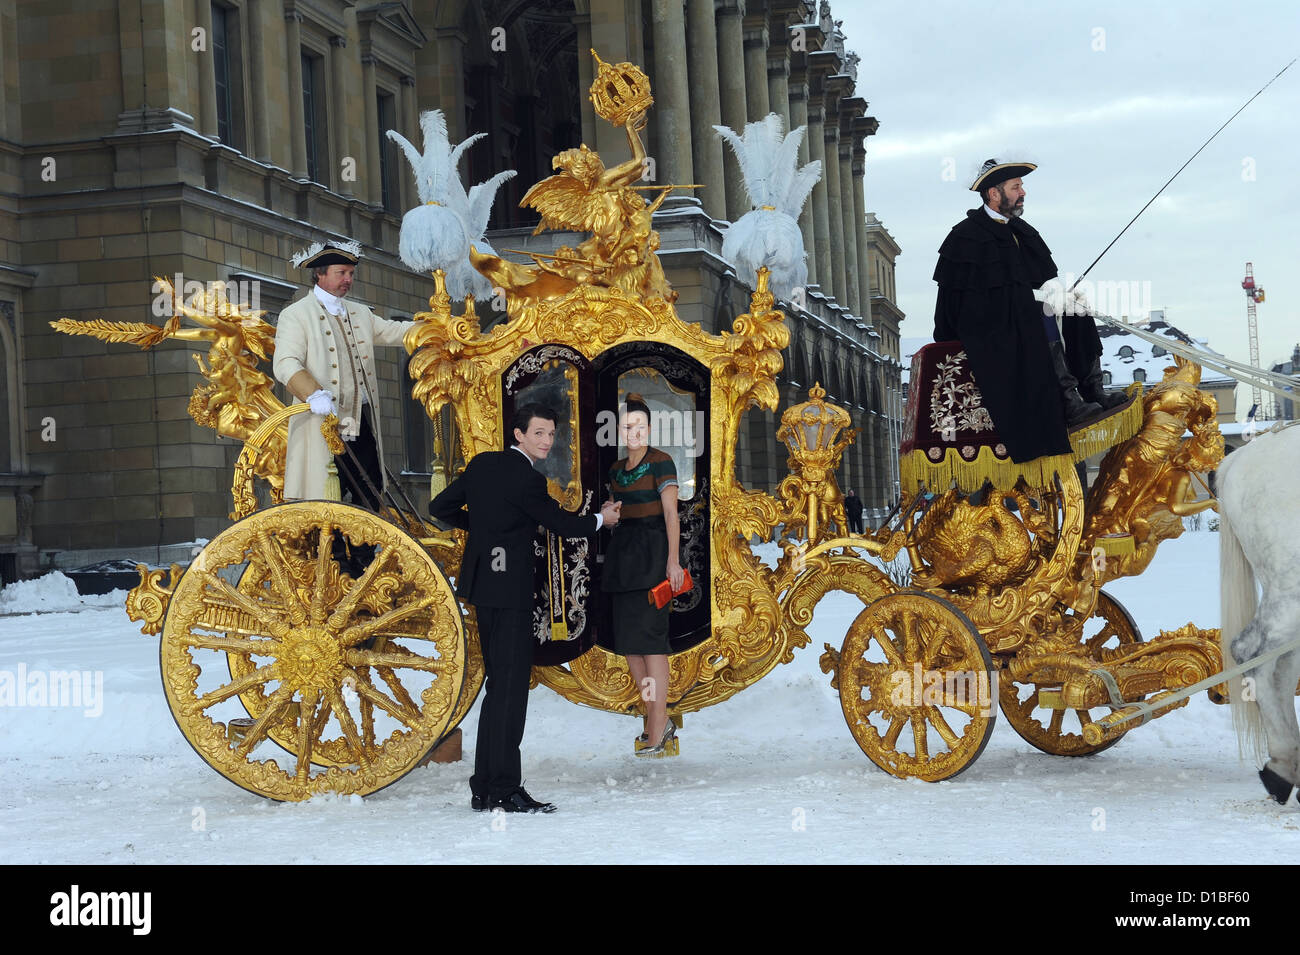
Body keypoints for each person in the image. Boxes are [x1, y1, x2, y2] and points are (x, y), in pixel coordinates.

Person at [429, 403, 621, 813]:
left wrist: (482, 527)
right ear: (518, 435)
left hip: (483, 589)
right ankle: (502, 790)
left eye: (550, 434)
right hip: (512, 594)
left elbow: (439, 509)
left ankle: (484, 788)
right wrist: (602, 519)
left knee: (498, 689)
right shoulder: (528, 480)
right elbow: (564, 526)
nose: (546, 441)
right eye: (538, 433)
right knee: (510, 693)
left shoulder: (481, 466)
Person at [932, 160, 1128, 465]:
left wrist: (1059, 293)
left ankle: (1092, 390)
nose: (1023, 192)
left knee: (1077, 310)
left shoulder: (1023, 232)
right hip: (987, 329)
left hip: (1025, 315)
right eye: (1016, 187)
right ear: (994, 194)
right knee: (1037, 314)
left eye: (1021, 186)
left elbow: (1041, 278)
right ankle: (1067, 401)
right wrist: (1031, 298)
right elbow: (962, 306)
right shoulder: (965, 236)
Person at [273, 239, 414, 509]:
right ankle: (333, 549)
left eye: (351, 274)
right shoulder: (296, 314)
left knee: (370, 489)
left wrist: (433, 327)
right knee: (327, 494)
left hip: (359, 421)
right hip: (321, 423)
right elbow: (285, 362)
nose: (348, 279)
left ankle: (363, 551)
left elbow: (391, 331)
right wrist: (312, 393)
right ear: (320, 274)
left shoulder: (359, 312)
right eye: (341, 273)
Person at [604, 393, 684, 757]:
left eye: (639, 425)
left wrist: (673, 563)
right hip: (623, 559)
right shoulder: (616, 469)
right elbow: (619, 511)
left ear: (649, 429)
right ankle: (656, 718)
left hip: (654, 556)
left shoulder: (661, 463)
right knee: (631, 646)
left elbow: (672, 515)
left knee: (652, 643)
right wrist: (610, 511)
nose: (632, 431)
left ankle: (657, 722)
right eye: (626, 426)